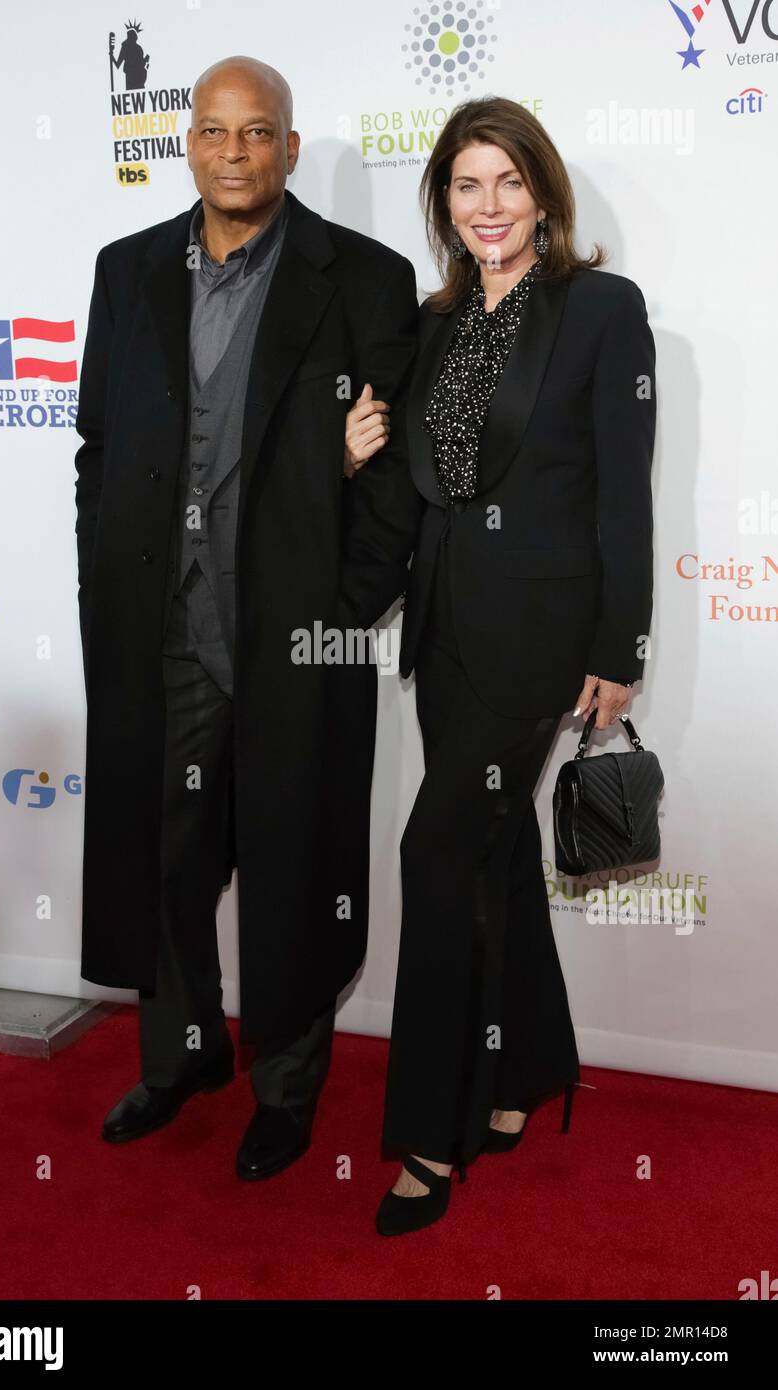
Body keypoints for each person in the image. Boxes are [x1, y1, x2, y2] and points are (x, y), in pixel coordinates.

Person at [74, 55, 421, 1181]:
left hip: (292, 638)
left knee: (293, 857)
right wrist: (104, 577)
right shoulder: (125, 273)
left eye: (256, 132)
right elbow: (97, 446)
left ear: (287, 143)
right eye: (214, 132)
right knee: (166, 859)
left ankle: (285, 1087)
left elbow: (393, 478)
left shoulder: (362, 278)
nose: (234, 152)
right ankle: (181, 1059)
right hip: (163, 634)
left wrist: (341, 605)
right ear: (186, 142)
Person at [345, 96, 656, 1235]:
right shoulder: (429, 327)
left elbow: (624, 489)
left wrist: (617, 645)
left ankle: (429, 1134)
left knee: (434, 853)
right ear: (442, 202)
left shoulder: (597, 309)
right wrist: (353, 452)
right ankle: (526, 1067)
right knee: (491, 856)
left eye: (507, 183)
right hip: (445, 637)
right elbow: (416, 486)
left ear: (542, 194)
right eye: (465, 185)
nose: (487, 206)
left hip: (540, 644)